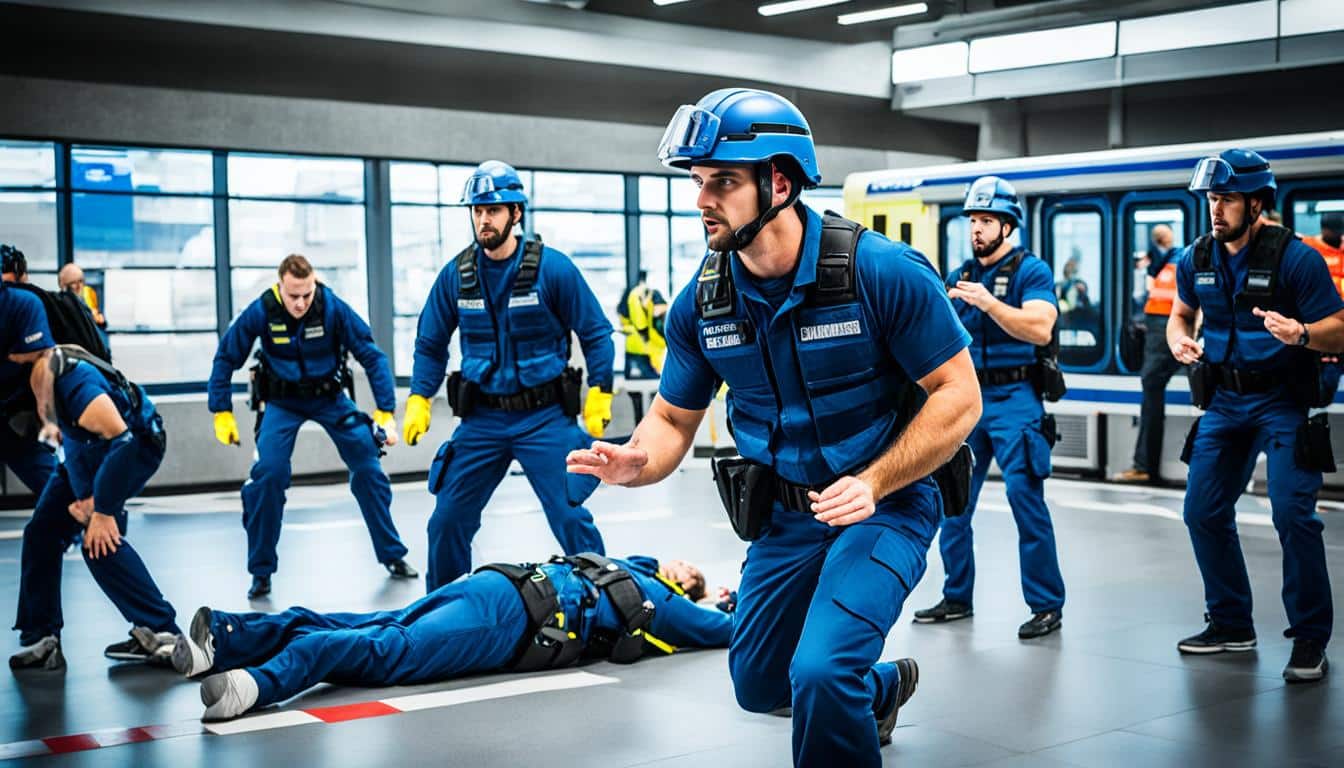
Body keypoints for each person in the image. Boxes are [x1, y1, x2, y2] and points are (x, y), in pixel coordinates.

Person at [568, 88, 981, 767]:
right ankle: (878, 691)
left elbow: (958, 397)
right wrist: (636, 459)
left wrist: (875, 482)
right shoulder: (704, 303)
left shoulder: (880, 273)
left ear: (779, 181)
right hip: (784, 515)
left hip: (887, 507)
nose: (702, 199)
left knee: (819, 672)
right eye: (699, 182)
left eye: (723, 181)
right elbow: (673, 417)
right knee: (760, 683)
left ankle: (845, 690)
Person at [1168, 148, 1344, 683]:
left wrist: (1303, 334)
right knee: (1201, 511)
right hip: (1223, 402)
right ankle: (1230, 624)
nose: (1215, 210)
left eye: (1226, 200)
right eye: (1211, 200)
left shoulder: (1297, 259)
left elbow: (1339, 325)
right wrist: (1179, 341)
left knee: (1293, 515)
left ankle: (1310, 638)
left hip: (1282, 403)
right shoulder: (1196, 258)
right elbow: (1180, 315)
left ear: (1256, 203)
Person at [171, 554, 732, 721]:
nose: (681, 566)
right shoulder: (654, 600)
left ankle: (226, 635)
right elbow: (730, 629)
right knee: (390, 651)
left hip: (497, 584)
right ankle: (259, 684)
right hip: (509, 622)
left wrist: (719, 598)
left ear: (688, 581)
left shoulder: (653, 589)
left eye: (687, 570)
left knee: (370, 627)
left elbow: (720, 626)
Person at [402, 160, 616, 592]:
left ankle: (605, 602)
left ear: (516, 213)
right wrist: (419, 398)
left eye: (494, 210)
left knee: (571, 514)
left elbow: (596, 333)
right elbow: (430, 344)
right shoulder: (456, 277)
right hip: (481, 420)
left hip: (544, 418)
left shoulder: (553, 269)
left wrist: (601, 392)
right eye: (477, 210)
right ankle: (439, 612)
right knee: (446, 522)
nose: (484, 219)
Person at [209, 254, 416, 600]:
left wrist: (384, 410)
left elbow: (371, 355)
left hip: (330, 398)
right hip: (282, 403)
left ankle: (392, 554)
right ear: (280, 286)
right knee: (269, 475)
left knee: (368, 465)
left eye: (307, 293)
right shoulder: (262, 310)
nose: (301, 303)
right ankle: (261, 572)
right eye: (294, 296)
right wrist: (221, 410)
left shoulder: (331, 306)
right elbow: (226, 356)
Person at [912, 176, 1066, 639]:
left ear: (1007, 226)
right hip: (967, 398)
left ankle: (1045, 604)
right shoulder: (958, 275)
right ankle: (957, 596)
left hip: (1016, 397)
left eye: (986, 221)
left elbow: (1040, 328)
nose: (976, 229)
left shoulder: (1030, 272)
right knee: (953, 502)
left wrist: (990, 302)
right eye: (972, 221)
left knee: (1026, 502)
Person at [9, 346, 179, 672]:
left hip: (137, 444)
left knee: (98, 539)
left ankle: (164, 633)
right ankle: (42, 639)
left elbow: (122, 440)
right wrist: (83, 490)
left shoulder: (76, 383)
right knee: (42, 531)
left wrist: (102, 508)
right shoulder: (43, 385)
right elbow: (73, 441)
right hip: (89, 448)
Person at [1115, 224, 1184, 484]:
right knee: (1151, 391)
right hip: (1158, 333)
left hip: (1164, 334)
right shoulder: (1164, 264)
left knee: (1151, 389)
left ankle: (1144, 465)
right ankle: (1144, 464)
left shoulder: (1174, 262)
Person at [0, 245, 58, 496]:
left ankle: (98, 527)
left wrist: (48, 419)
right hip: (16, 414)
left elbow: (42, 360)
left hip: (16, 415)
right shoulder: (26, 302)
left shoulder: (23, 303)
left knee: (56, 489)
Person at [618, 269, 668, 422]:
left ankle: (639, 430)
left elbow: (624, 317)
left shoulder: (628, 296)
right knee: (656, 394)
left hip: (632, 351)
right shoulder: (650, 294)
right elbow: (657, 319)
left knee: (636, 397)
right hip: (648, 353)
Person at [1301, 212, 1344, 299]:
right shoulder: (1308, 245)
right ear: (1324, 230)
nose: (1340, 235)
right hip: (1321, 298)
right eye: (1336, 232)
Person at [57, 263, 108, 331]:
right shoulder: (61, 305)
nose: (79, 286)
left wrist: (99, 320)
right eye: (73, 283)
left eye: (80, 281)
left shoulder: (86, 298)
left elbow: (100, 323)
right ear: (64, 286)